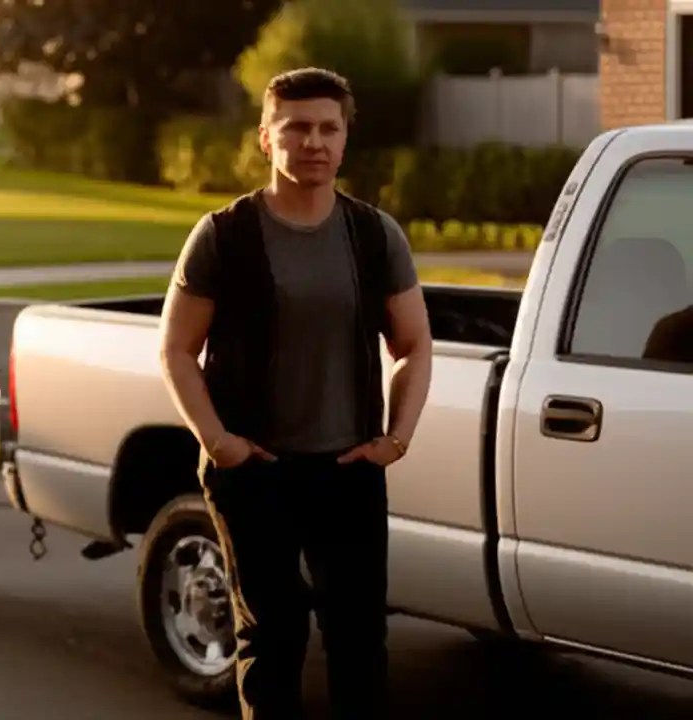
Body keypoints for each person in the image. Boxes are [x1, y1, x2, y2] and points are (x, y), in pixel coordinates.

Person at [157, 67, 433, 719]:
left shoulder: (374, 235)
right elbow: (176, 349)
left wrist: (396, 439)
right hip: (256, 471)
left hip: (348, 470)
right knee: (273, 638)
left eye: (328, 129)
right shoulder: (224, 235)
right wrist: (218, 442)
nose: (314, 142)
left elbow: (414, 344)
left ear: (344, 139)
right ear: (266, 137)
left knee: (359, 642)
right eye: (297, 127)